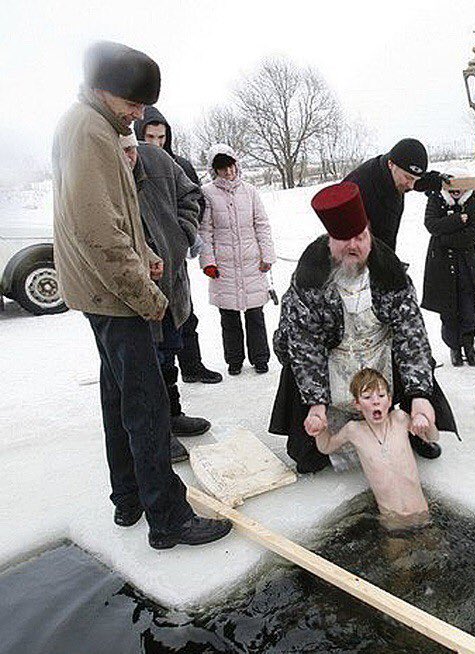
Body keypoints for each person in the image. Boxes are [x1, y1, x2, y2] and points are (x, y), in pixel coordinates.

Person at [52, 40, 231, 548]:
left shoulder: (93, 125)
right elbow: (98, 232)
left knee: (119, 400)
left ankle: (128, 497)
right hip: (115, 295)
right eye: (132, 103)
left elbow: (115, 217)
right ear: (103, 90)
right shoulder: (90, 132)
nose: (138, 114)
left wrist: (145, 251)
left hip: (101, 291)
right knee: (148, 406)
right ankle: (168, 517)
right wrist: (147, 295)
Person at [269, 181, 456, 473]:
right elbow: (305, 345)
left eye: (359, 237)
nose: (353, 246)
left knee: (415, 364)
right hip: (331, 358)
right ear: (330, 241)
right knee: (306, 457)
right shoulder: (309, 278)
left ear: (368, 235)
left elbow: (412, 334)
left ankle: (414, 428)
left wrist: (419, 395)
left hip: (380, 355)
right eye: (344, 239)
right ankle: (318, 434)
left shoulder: (389, 271)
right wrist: (316, 404)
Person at [118, 132, 210, 462]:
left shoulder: (156, 159)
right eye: (122, 151)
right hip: (133, 289)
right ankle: (158, 431)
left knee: (168, 351)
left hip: (171, 281)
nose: (129, 158)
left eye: (131, 150)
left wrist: (181, 235)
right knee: (147, 361)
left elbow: (192, 195)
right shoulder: (103, 170)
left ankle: (173, 414)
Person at [135, 106, 222, 384]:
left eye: (161, 137)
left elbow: (196, 201)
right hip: (148, 256)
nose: (156, 143)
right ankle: (167, 383)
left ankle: (192, 366)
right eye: (150, 137)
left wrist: (184, 233)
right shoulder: (133, 163)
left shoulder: (179, 165)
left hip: (176, 251)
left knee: (185, 314)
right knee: (161, 323)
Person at [310, 368, 433, 528]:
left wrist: (423, 419)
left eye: (381, 396)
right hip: (392, 521)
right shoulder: (354, 430)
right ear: (357, 404)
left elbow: (431, 437)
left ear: (389, 400)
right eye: (367, 397)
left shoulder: (400, 419)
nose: (376, 402)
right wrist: (319, 429)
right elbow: (326, 447)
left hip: (422, 514)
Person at [199, 143, 276, 376]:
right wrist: (208, 261)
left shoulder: (250, 191)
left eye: (231, 166)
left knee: (255, 313)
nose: (229, 172)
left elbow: (261, 224)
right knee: (229, 316)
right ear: (215, 170)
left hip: (251, 261)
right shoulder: (207, 193)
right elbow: (205, 231)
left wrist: (267, 254)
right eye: (223, 169)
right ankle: (234, 360)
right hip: (224, 265)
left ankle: (260, 358)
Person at [421, 183, 475, 366]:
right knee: (448, 308)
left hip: (466, 263)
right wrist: (458, 220)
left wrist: (445, 238)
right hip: (441, 262)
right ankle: (455, 348)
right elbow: (432, 224)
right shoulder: (436, 199)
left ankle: (469, 346)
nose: (456, 192)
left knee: (468, 306)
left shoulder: (471, 201)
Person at [344, 138, 446, 251]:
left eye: (415, 180)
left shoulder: (394, 173)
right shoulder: (360, 189)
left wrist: (432, 181)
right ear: (390, 164)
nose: (411, 185)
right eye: (408, 177)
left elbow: (413, 178)